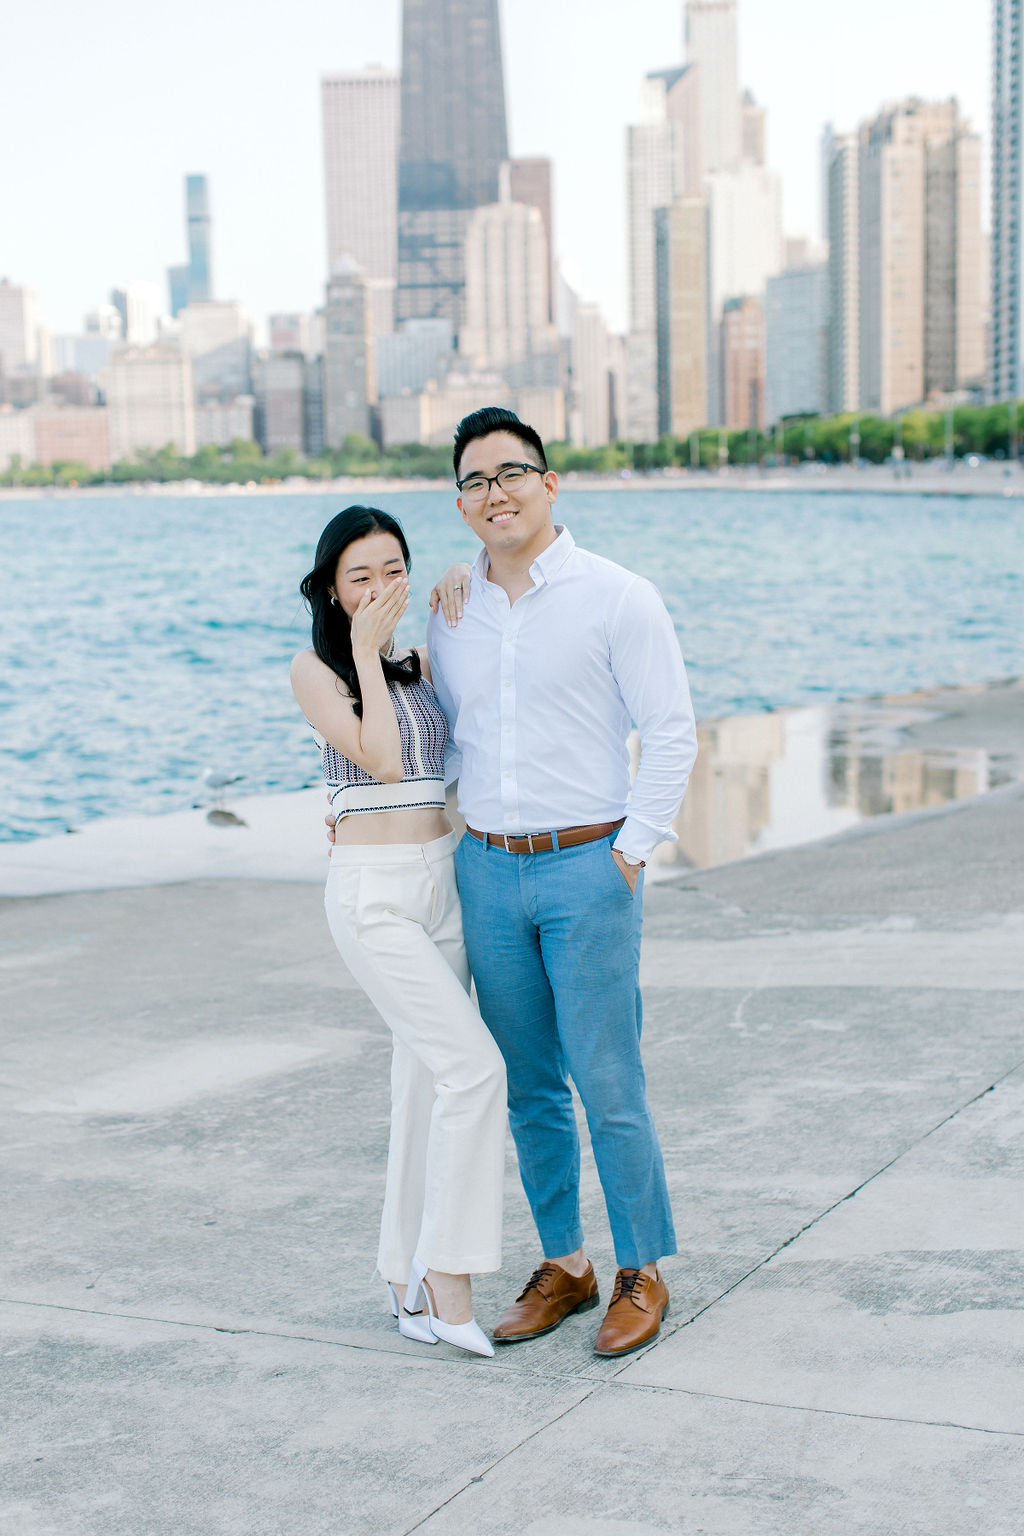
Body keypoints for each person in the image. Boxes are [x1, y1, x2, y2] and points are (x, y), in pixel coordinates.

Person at [426, 406, 698, 1358]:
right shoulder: (451, 612)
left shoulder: (618, 596)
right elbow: (443, 734)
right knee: (529, 1086)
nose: (493, 493)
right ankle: (567, 1264)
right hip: (489, 871)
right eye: (474, 481)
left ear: (550, 483)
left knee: (607, 1077)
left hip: (589, 864)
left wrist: (633, 849)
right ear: (461, 504)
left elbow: (671, 728)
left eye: (510, 474)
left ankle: (642, 1270)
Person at [292, 505, 506, 1358]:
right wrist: (367, 656)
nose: (379, 589)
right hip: (373, 897)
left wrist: (462, 584)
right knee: (474, 1070)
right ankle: (447, 1279)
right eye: (359, 577)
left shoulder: (419, 663)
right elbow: (379, 758)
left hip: (441, 882)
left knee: (422, 1084)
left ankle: (400, 1273)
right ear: (332, 590)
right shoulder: (315, 670)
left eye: (392, 571)